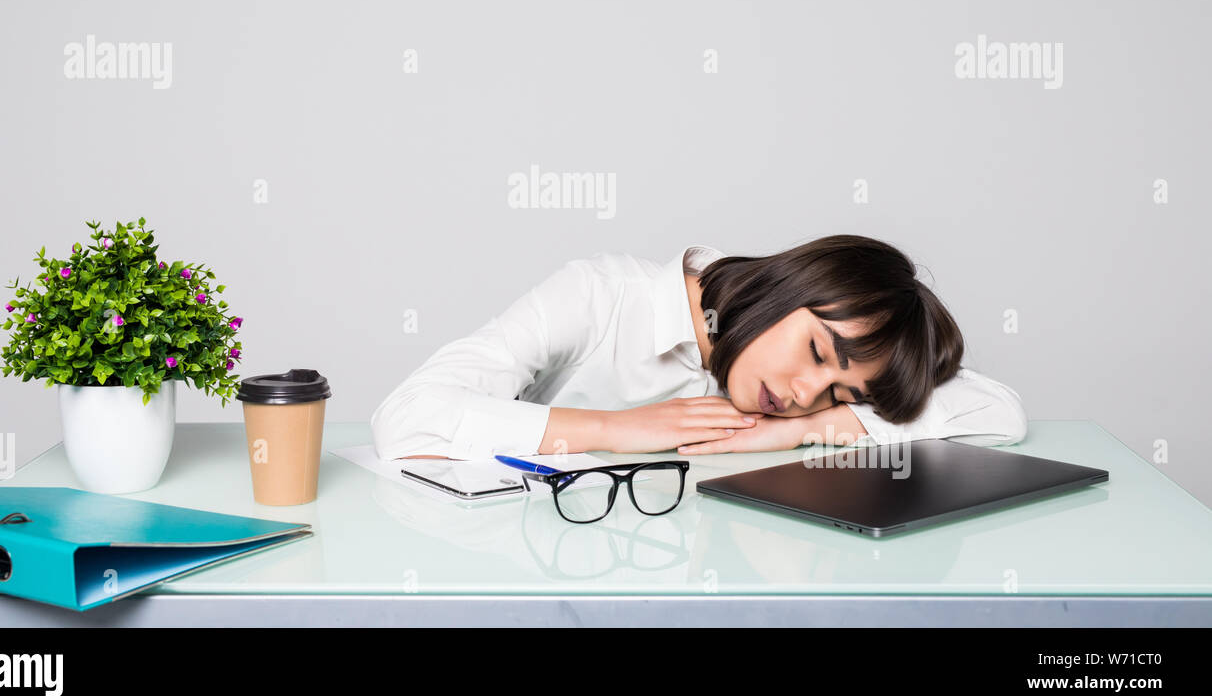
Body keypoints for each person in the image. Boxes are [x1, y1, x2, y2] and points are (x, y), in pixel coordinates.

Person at [370, 235, 1027, 460]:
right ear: (786, 288)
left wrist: (814, 431)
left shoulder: (796, 410)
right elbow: (406, 415)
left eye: (835, 391)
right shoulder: (600, 297)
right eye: (818, 353)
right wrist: (615, 430)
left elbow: (998, 412)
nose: (802, 393)